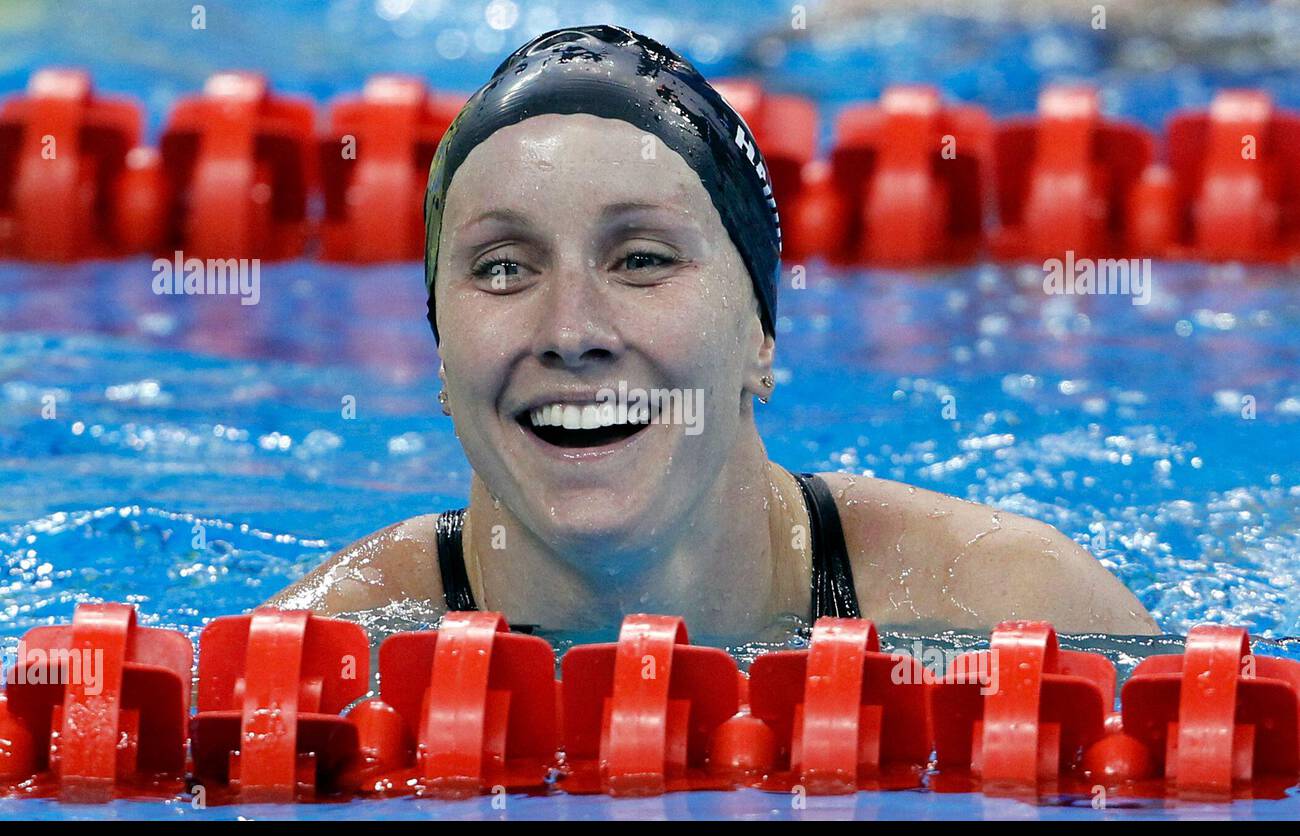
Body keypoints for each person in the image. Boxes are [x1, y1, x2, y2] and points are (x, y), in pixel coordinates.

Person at [264, 25, 1158, 638]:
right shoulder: (326, 659)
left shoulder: (1003, 614)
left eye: (643, 260)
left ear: (762, 339)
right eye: (503, 268)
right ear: (442, 353)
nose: (572, 331)